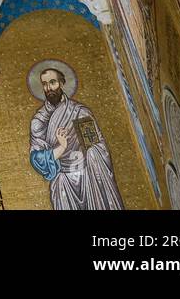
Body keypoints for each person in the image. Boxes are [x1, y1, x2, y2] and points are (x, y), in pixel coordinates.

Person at [28, 66, 124, 210]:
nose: (49, 88)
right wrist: (61, 147)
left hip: (87, 179)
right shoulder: (39, 122)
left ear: (61, 83)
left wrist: (89, 158)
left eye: (52, 82)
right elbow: (36, 159)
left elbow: (95, 148)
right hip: (63, 184)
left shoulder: (79, 113)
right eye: (45, 84)